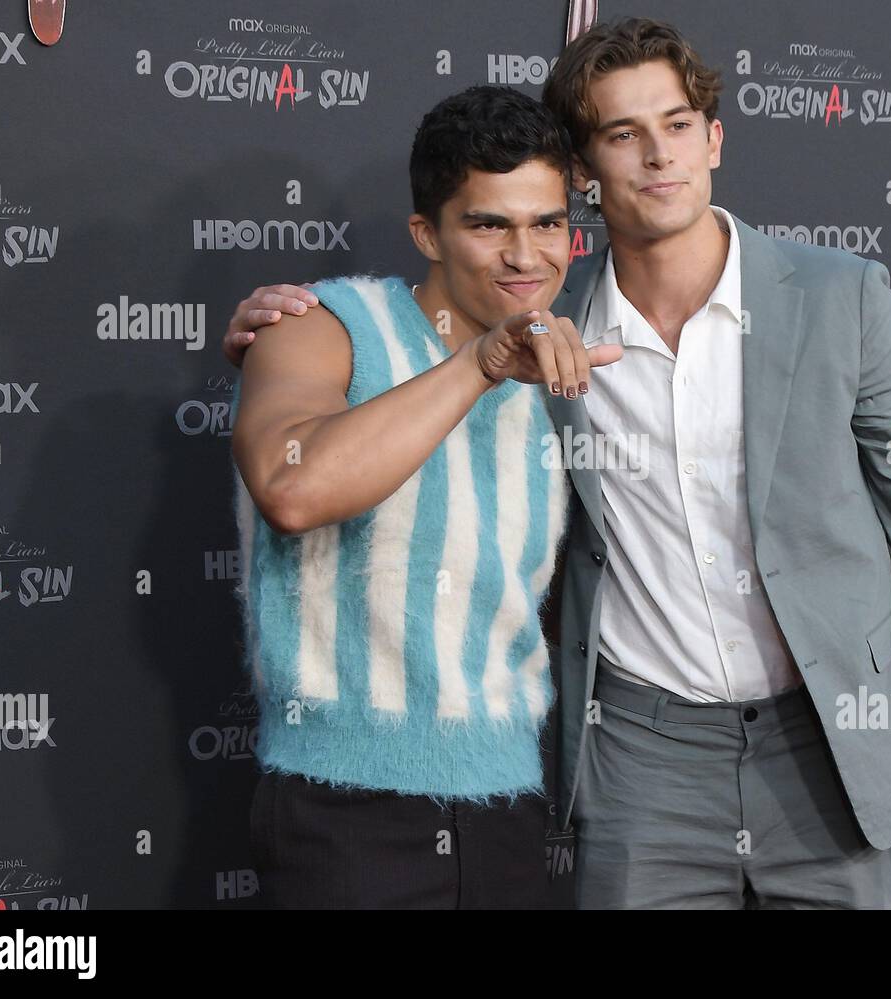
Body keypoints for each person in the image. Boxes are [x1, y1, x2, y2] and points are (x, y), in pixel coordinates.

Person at [226, 17, 891, 910]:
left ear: (714, 136)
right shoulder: (537, 320)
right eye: (622, 134)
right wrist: (281, 330)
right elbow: (425, 329)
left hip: (829, 749)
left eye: (678, 124)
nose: (659, 156)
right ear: (584, 170)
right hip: (641, 758)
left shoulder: (843, 300)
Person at [228, 84, 619, 908]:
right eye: (488, 224)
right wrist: (476, 363)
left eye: (548, 223)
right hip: (343, 810)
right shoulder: (323, 325)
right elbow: (292, 487)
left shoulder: (559, 359)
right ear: (426, 234)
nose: (526, 255)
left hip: (508, 810)